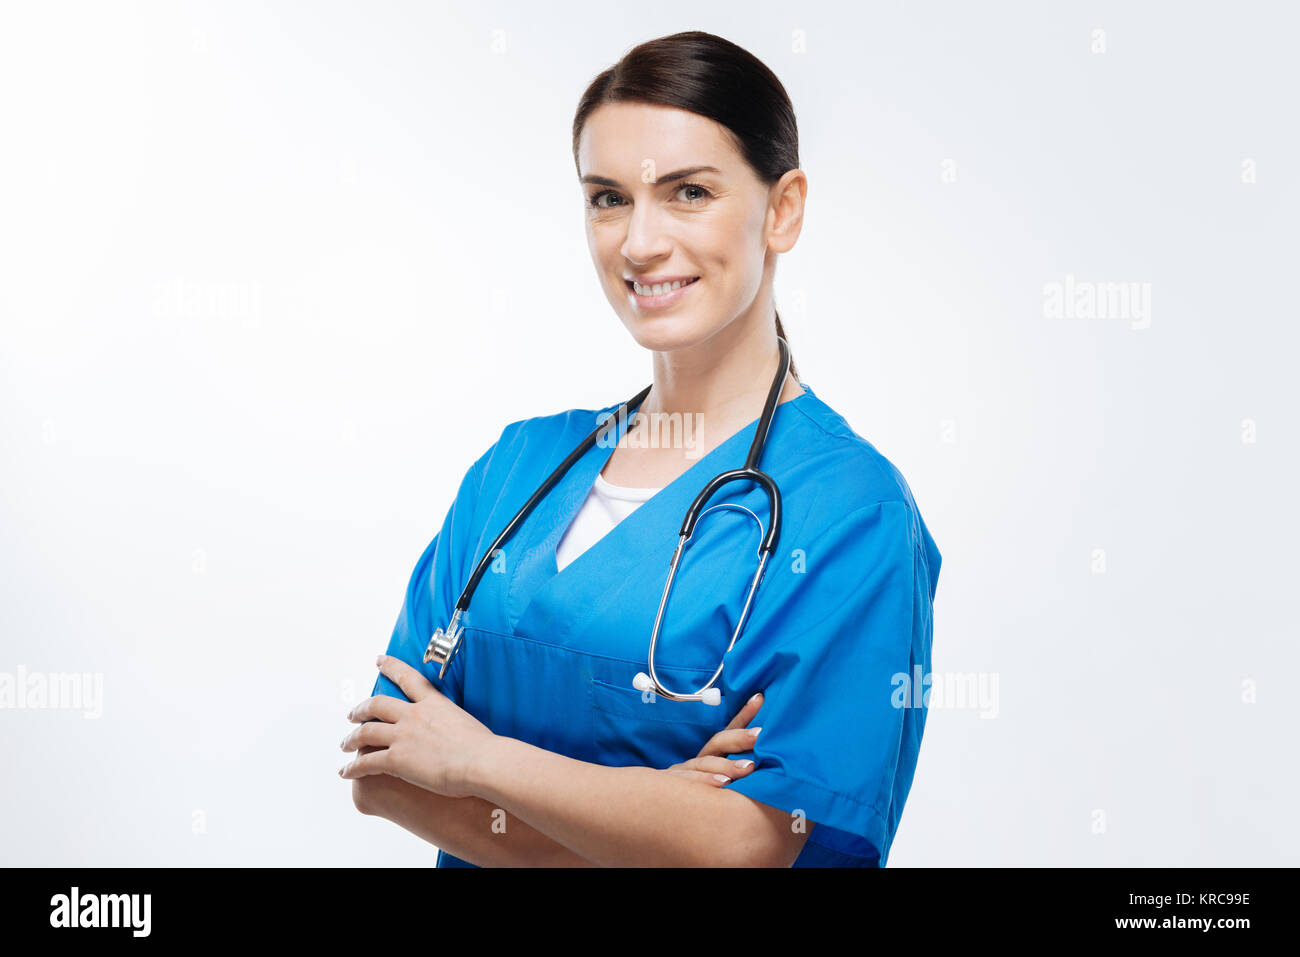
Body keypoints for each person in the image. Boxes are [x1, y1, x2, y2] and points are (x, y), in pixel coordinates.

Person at [339, 30, 941, 868]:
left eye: (689, 191)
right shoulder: (517, 469)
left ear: (784, 208)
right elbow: (382, 773)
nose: (639, 242)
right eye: (608, 197)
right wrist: (656, 820)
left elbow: (750, 842)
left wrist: (476, 758)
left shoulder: (850, 511)